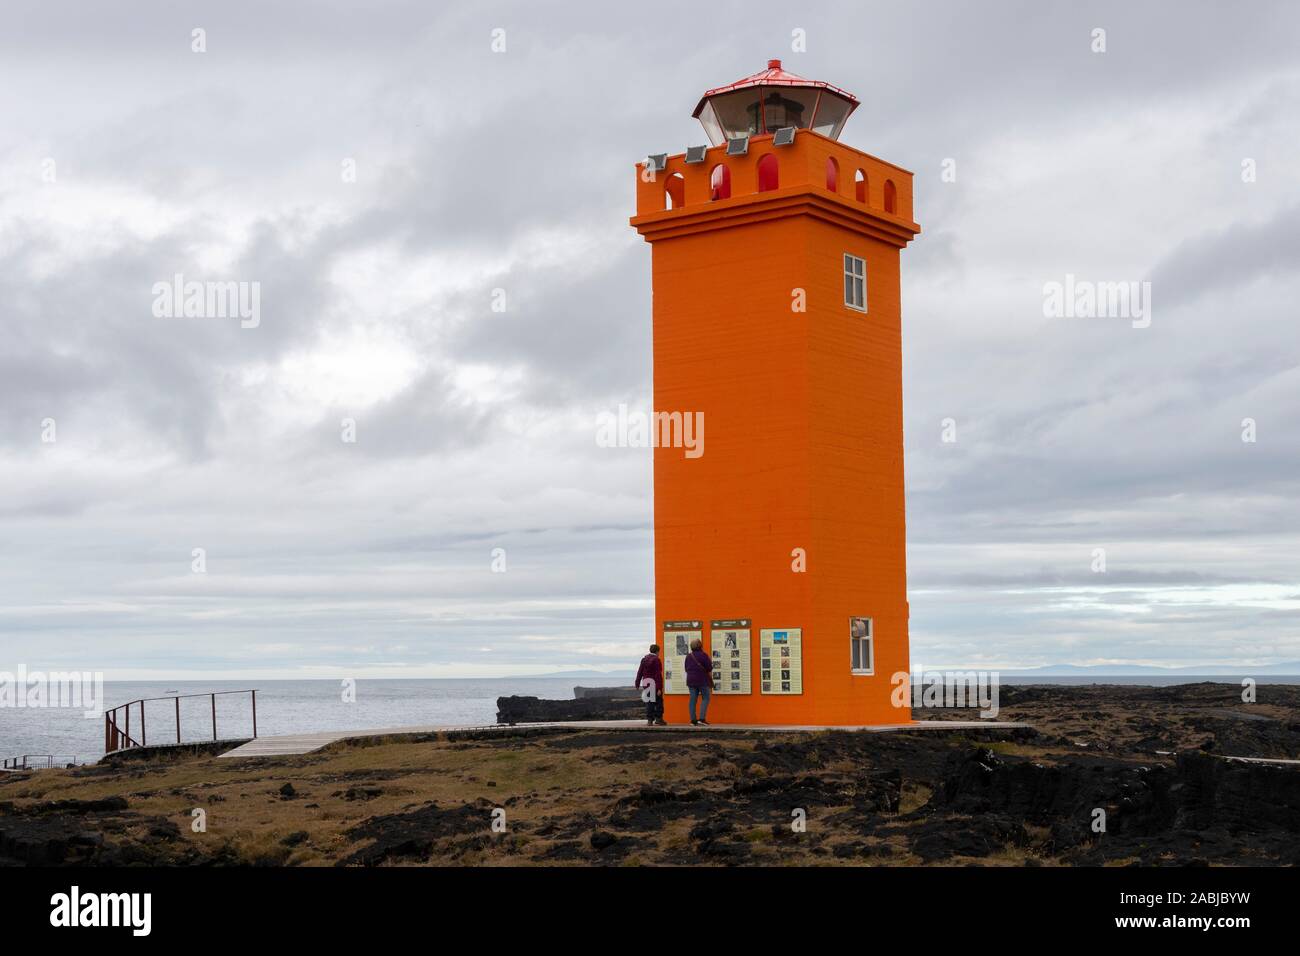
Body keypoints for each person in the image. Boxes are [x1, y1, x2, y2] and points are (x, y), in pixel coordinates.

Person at [635, 644, 667, 726]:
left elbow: (640, 672)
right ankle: (659, 719)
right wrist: (660, 688)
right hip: (654, 683)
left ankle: (649, 720)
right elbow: (658, 675)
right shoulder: (656, 660)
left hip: (646, 682)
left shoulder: (644, 659)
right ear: (657, 651)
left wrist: (637, 683)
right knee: (659, 702)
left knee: (649, 702)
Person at [684, 637, 713, 725]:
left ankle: (693, 720)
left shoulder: (688, 656)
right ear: (700, 646)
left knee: (693, 700)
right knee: (706, 698)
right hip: (702, 680)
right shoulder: (703, 655)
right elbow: (709, 668)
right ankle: (701, 719)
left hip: (691, 680)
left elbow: (686, 668)